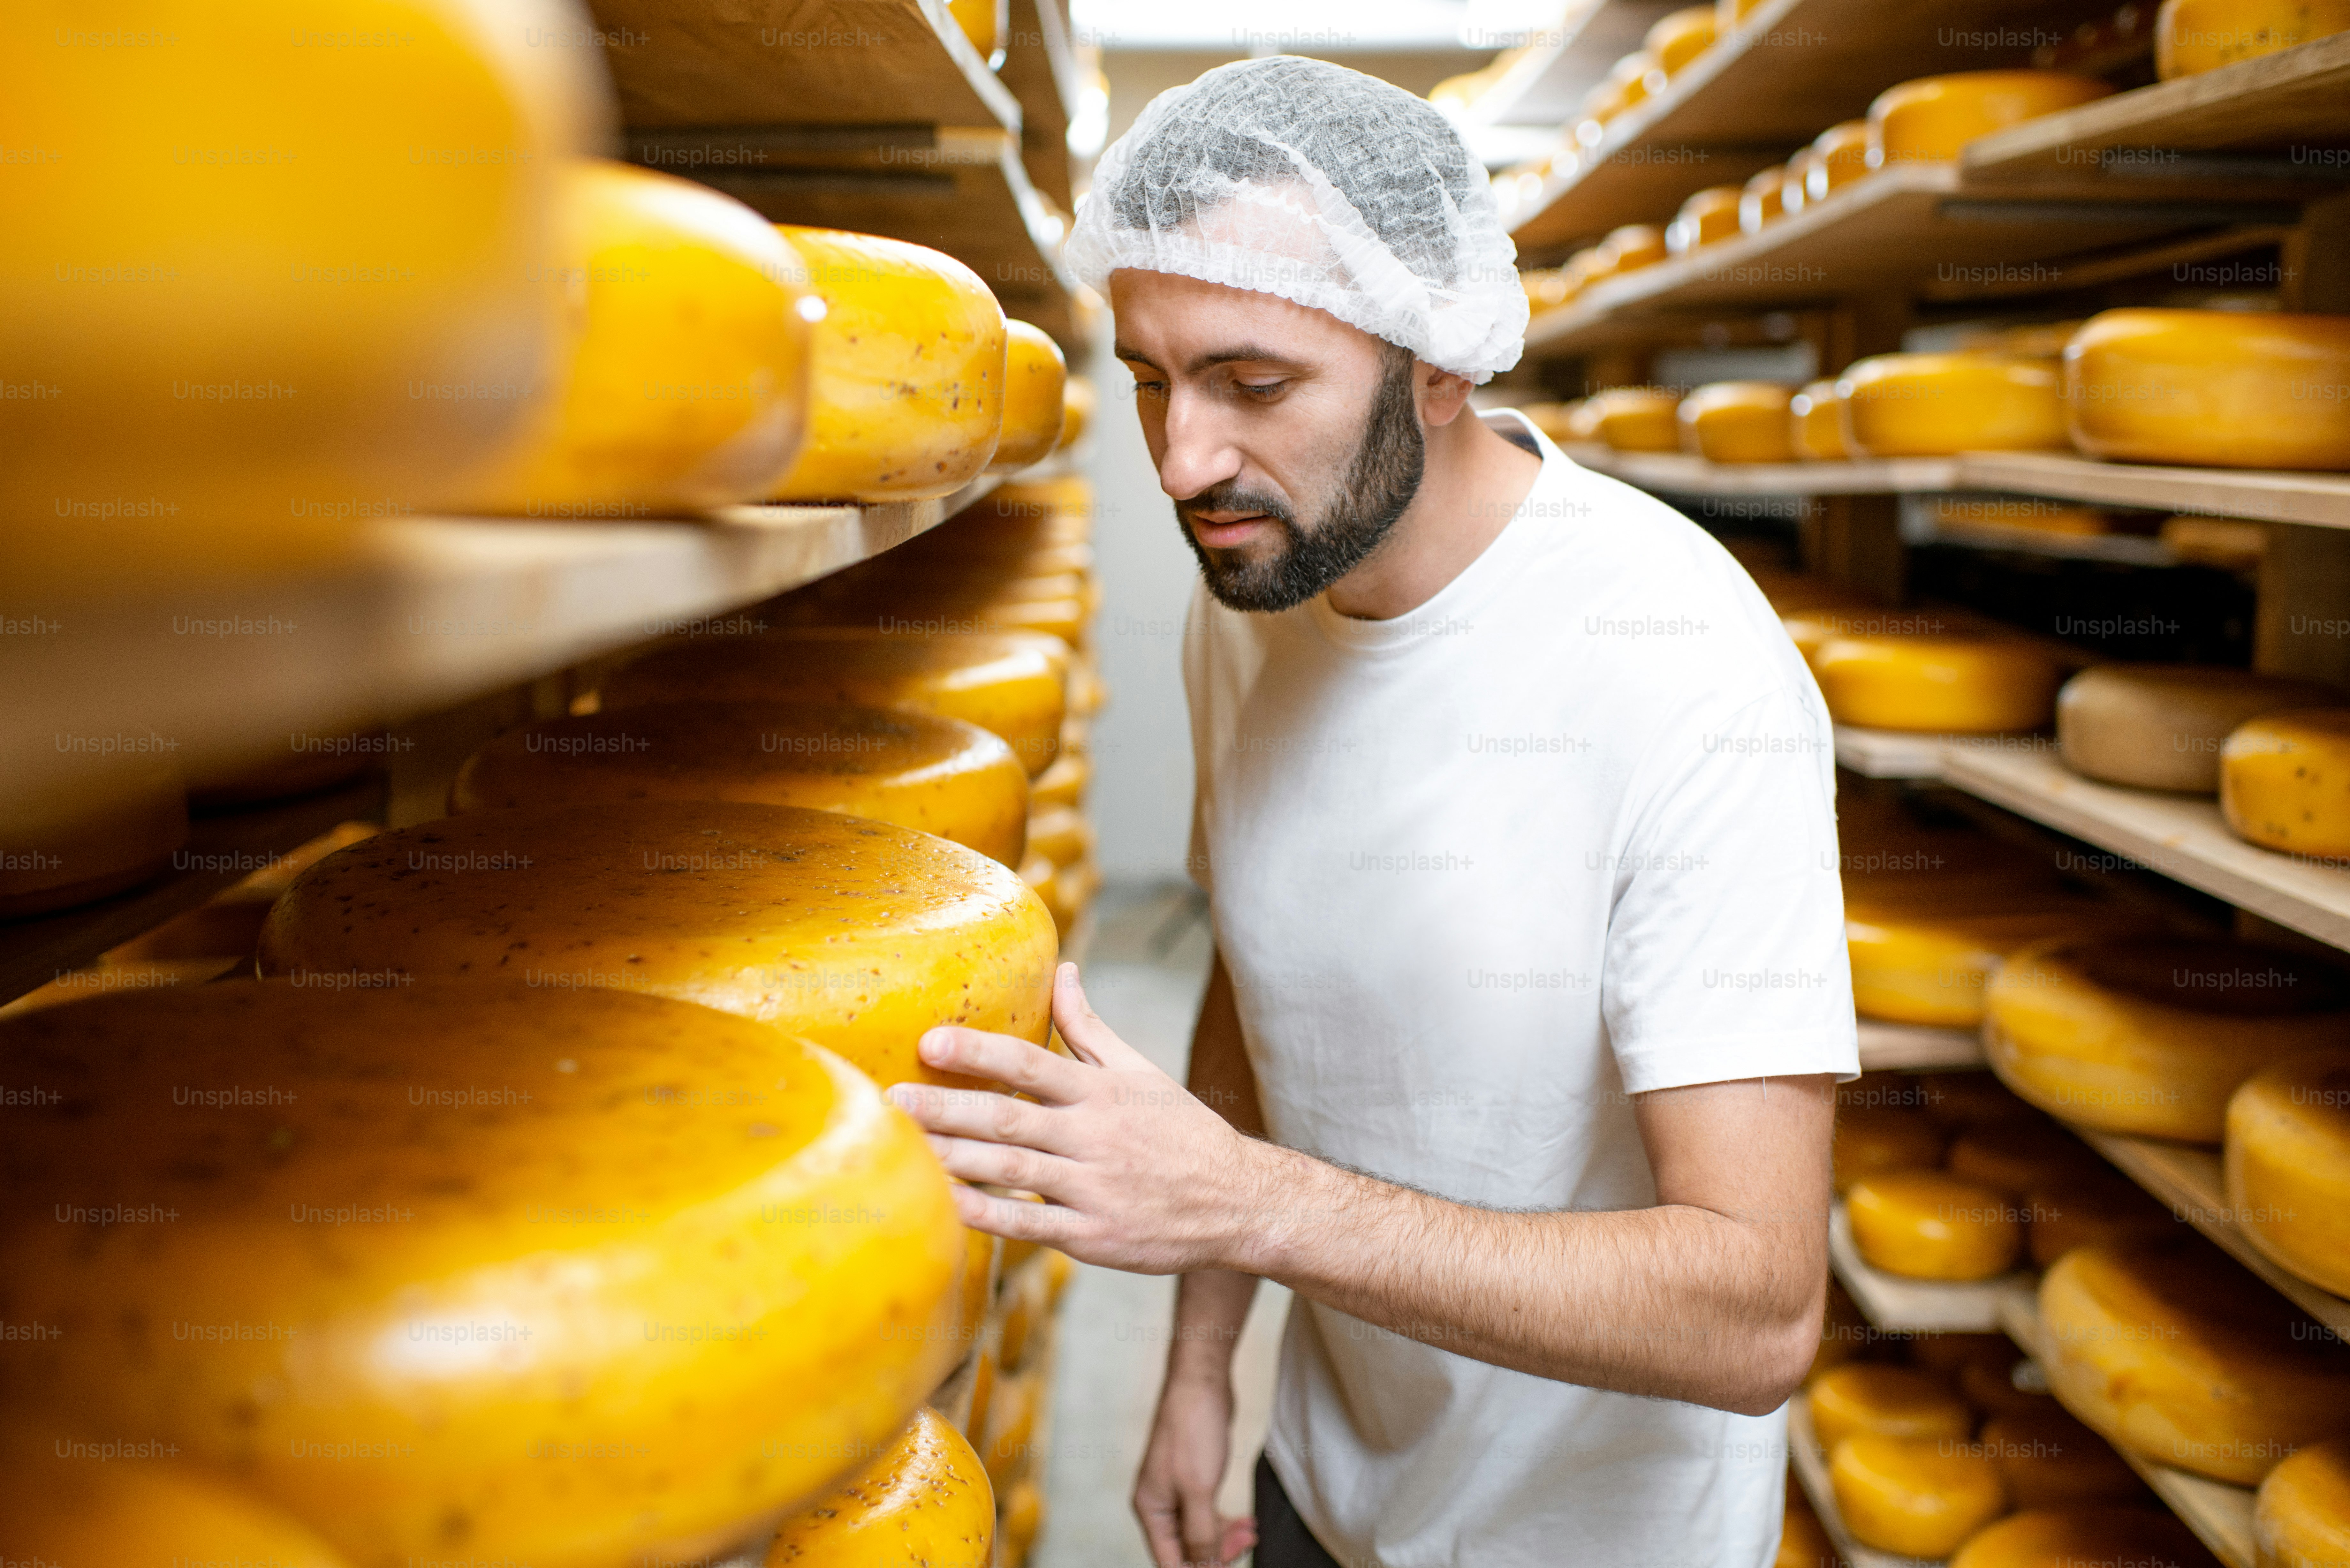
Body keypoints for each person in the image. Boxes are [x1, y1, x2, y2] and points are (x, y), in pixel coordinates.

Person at [887, 55, 1857, 1568]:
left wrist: (1244, 1205)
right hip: (1316, 1482)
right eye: (1149, 378)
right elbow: (1260, 974)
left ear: (1441, 365)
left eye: (1255, 384)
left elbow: (1756, 1312)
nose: (1183, 461)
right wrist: (1202, 1362)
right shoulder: (1256, 594)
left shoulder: (1685, 666)